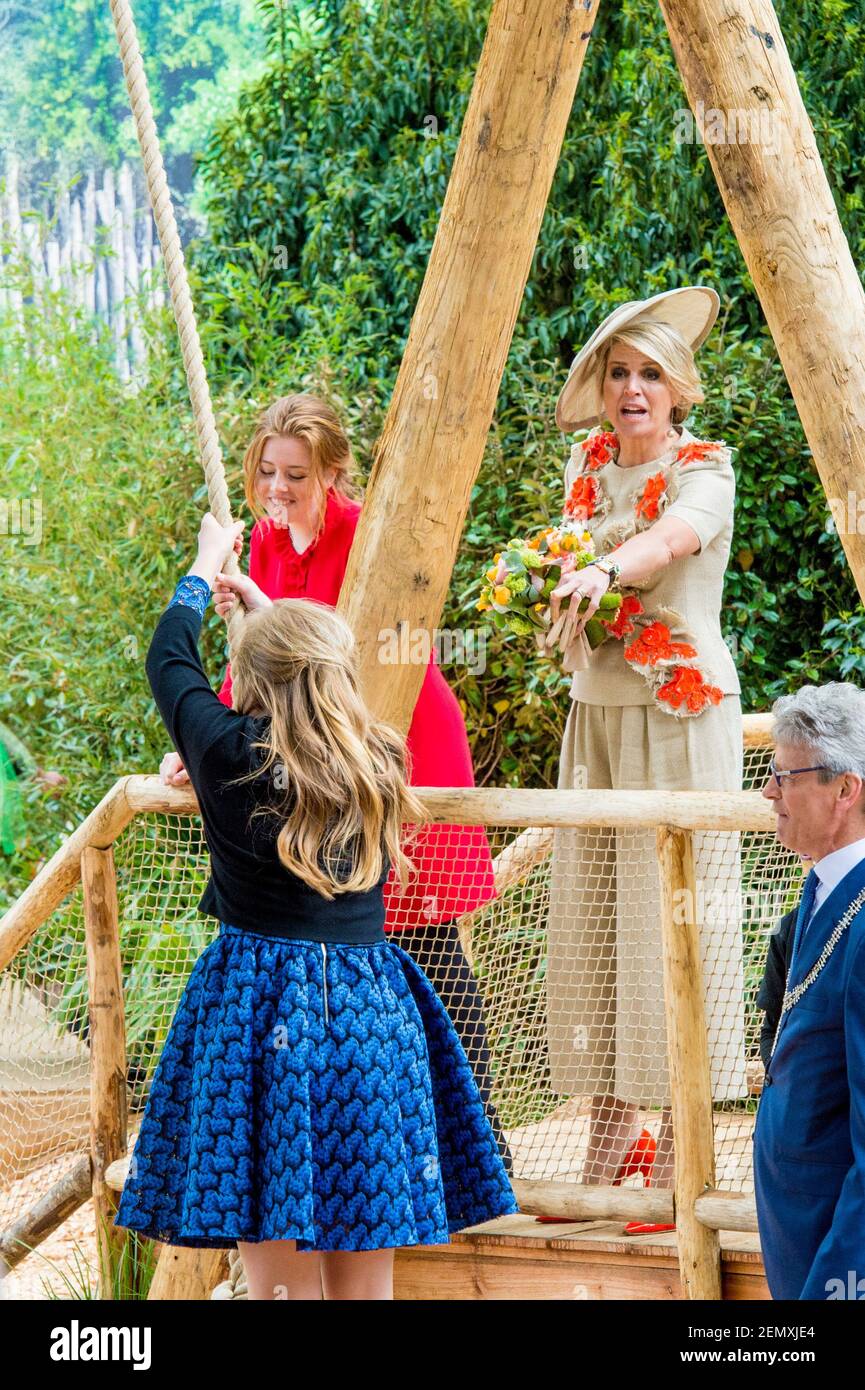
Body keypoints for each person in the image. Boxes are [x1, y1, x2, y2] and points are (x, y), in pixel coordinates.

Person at [113, 512, 518, 1299]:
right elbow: (303, 684)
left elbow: (168, 657)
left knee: (278, 1291)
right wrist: (267, 612)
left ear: (253, 678)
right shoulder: (378, 757)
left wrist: (204, 566)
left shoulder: (227, 751)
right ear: (337, 673)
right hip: (370, 1018)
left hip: (263, 1017)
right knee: (363, 1289)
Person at [157, 394, 511, 1172]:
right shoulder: (265, 546)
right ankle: (361, 1151)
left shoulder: (363, 538)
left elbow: (343, 657)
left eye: (295, 475)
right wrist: (207, 735)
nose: (277, 488)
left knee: (422, 946)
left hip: (390, 736)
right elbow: (259, 658)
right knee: (338, 950)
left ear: (331, 473)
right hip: (314, 757)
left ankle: (481, 1146)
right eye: (267, 472)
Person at [542, 287, 746, 1231]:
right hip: (598, 713)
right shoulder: (583, 469)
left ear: (677, 391)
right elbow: (566, 562)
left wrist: (604, 569)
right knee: (594, 913)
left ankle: (678, 1147)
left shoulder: (707, 468)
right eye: (617, 373)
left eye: (649, 374)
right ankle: (604, 1141)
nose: (631, 389)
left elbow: (670, 540)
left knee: (676, 917)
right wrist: (548, 592)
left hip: (680, 713)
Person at [754, 681, 865, 1300]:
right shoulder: (821, 893)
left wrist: (835, 1286)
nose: (768, 791)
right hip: (797, 1236)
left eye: (785, 776)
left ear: (845, 789)